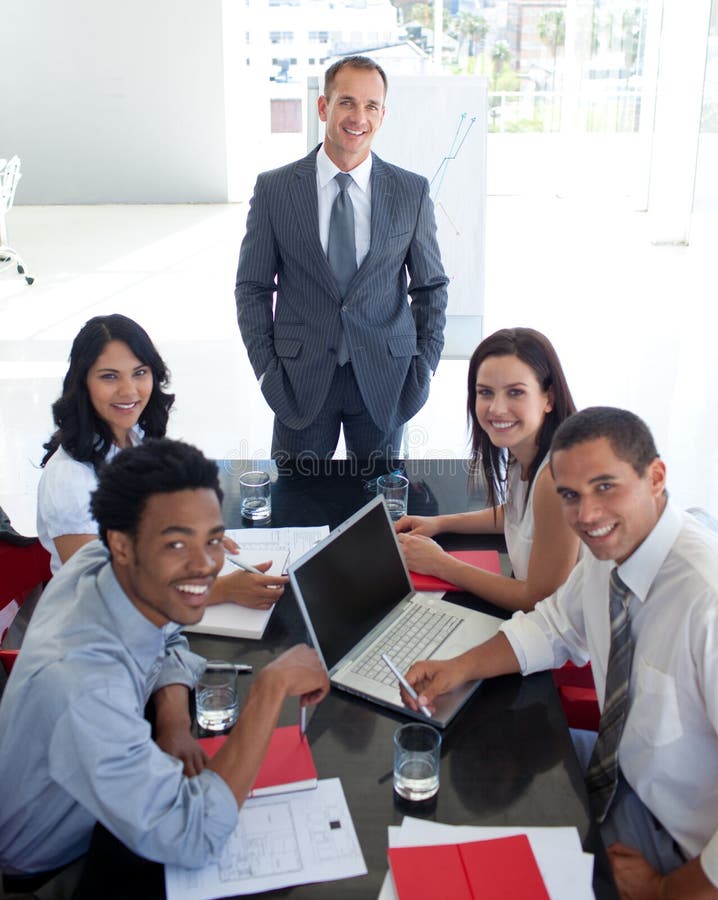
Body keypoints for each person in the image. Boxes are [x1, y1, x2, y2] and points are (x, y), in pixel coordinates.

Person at [401, 408, 718, 899]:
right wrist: (456, 668)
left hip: (686, 853)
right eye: (570, 496)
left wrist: (664, 889)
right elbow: (552, 626)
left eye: (605, 487)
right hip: (620, 783)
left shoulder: (706, 599)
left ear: (656, 477)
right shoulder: (607, 551)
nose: (586, 516)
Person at [0, 439, 329, 884]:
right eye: (176, 544)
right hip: (57, 866)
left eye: (213, 540)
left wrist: (173, 719)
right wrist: (270, 690)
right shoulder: (82, 688)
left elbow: (168, 635)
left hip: (109, 790)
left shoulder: (101, 560)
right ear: (122, 545)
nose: (206, 566)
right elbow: (194, 836)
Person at [235, 55, 448, 462]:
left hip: (386, 381)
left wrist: (425, 370)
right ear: (323, 107)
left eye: (371, 106)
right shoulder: (275, 189)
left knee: (378, 509)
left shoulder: (411, 191)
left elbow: (431, 287)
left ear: (382, 115)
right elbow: (252, 287)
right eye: (347, 102)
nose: (359, 116)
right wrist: (266, 370)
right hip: (300, 383)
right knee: (296, 507)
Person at [37, 313, 286, 608]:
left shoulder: (134, 435)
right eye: (109, 376)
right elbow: (98, 591)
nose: (129, 391)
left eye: (139, 372)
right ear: (83, 383)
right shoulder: (68, 479)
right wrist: (220, 590)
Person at [395, 327, 580, 612]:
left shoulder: (559, 479)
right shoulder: (527, 448)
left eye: (515, 392)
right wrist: (441, 522)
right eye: (485, 392)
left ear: (549, 398)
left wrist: (439, 563)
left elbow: (540, 602)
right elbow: (518, 514)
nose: (497, 408)